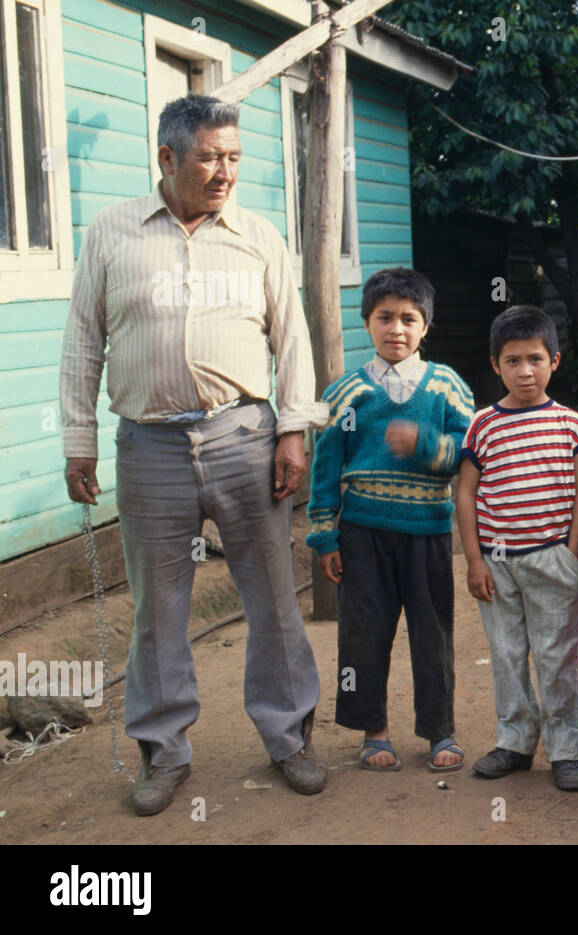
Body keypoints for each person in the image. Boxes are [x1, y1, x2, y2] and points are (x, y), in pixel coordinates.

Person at [59, 94, 328, 816]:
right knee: (157, 608)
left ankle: (289, 737)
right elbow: (84, 338)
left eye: (234, 158)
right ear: (168, 158)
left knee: (272, 595)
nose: (224, 172)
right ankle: (163, 751)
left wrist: (294, 429)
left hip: (244, 437)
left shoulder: (257, 236)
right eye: (210, 156)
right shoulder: (113, 233)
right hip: (148, 445)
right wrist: (78, 439)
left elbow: (291, 340)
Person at [306, 268, 473, 773]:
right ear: (366, 324)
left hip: (428, 532)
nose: (396, 328)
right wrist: (324, 534)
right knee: (363, 633)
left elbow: (470, 457)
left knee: (433, 634)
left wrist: (425, 446)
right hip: (363, 535)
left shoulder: (447, 387)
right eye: (384, 318)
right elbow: (326, 466)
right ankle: (372, 730)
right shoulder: (347, 394)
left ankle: (439, 730)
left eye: (408, 318)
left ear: (425, 326)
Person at [455, 306, 578, 791]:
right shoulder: (483, 426)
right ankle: (514, 742)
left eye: (535, 358)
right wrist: (474, 560)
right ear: (496, 365)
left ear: (554, 360)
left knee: (557, 658)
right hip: (496, 563)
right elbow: (466, 492)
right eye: (512, 361)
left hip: (551, 559)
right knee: (507, 654)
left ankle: (565, 749)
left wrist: (569, 555)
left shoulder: (570, 424)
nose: (525, 371)